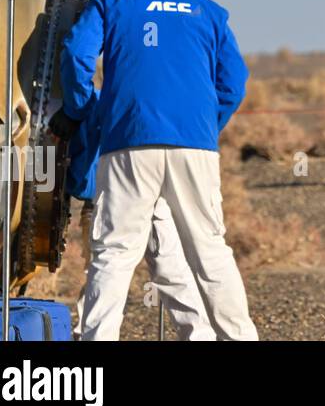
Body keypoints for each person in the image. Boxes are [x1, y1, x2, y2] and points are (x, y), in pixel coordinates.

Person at [53, 0, 256, 341]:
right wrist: (201, 130)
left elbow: (77, 54)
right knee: (210, 250)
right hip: (195, 146)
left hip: (128, 142)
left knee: (114, 252)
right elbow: (234, 84)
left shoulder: (110, 2)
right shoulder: (209, 11)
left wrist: (81, 110)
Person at [66, 115, 215, 340]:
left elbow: (81, 92)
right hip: (163, 156)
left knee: (111, 261)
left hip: (119, 163)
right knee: (170, 264)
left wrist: (72, 112)